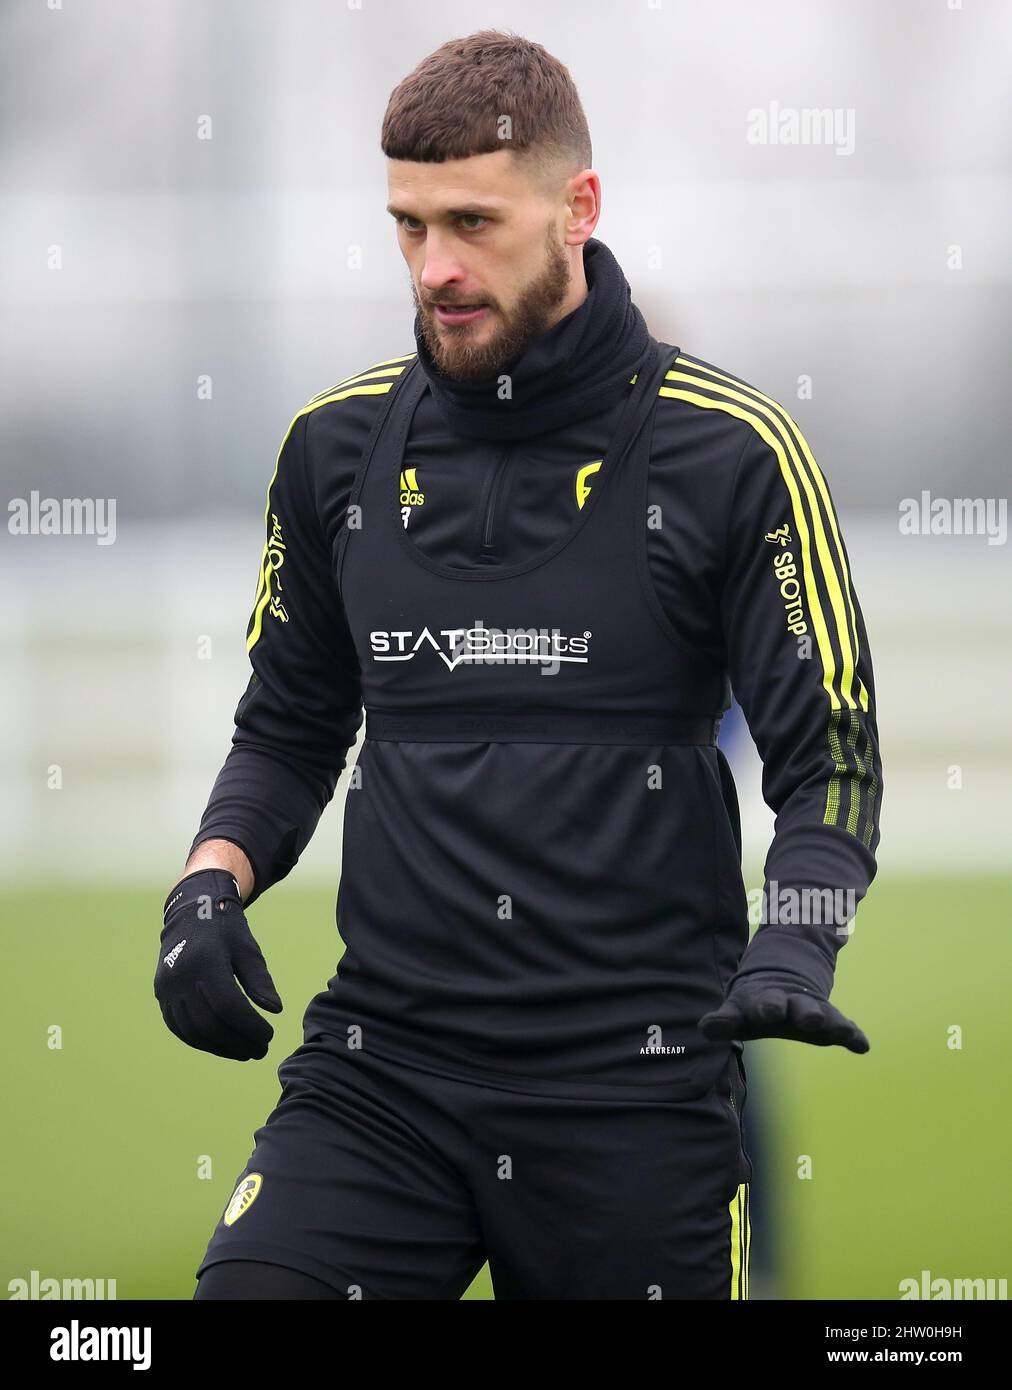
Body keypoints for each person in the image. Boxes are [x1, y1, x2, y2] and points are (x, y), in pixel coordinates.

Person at [155, 30, 883, 1301]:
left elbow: (828, 758)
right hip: (380, 1074)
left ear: (576, 208)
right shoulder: (334, 448)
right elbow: (287, 727)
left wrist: (796, 943)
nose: (434, 269)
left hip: (634, 1097)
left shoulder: (734, 452)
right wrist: (207, 886)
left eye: (473, 223)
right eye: (408, 226)